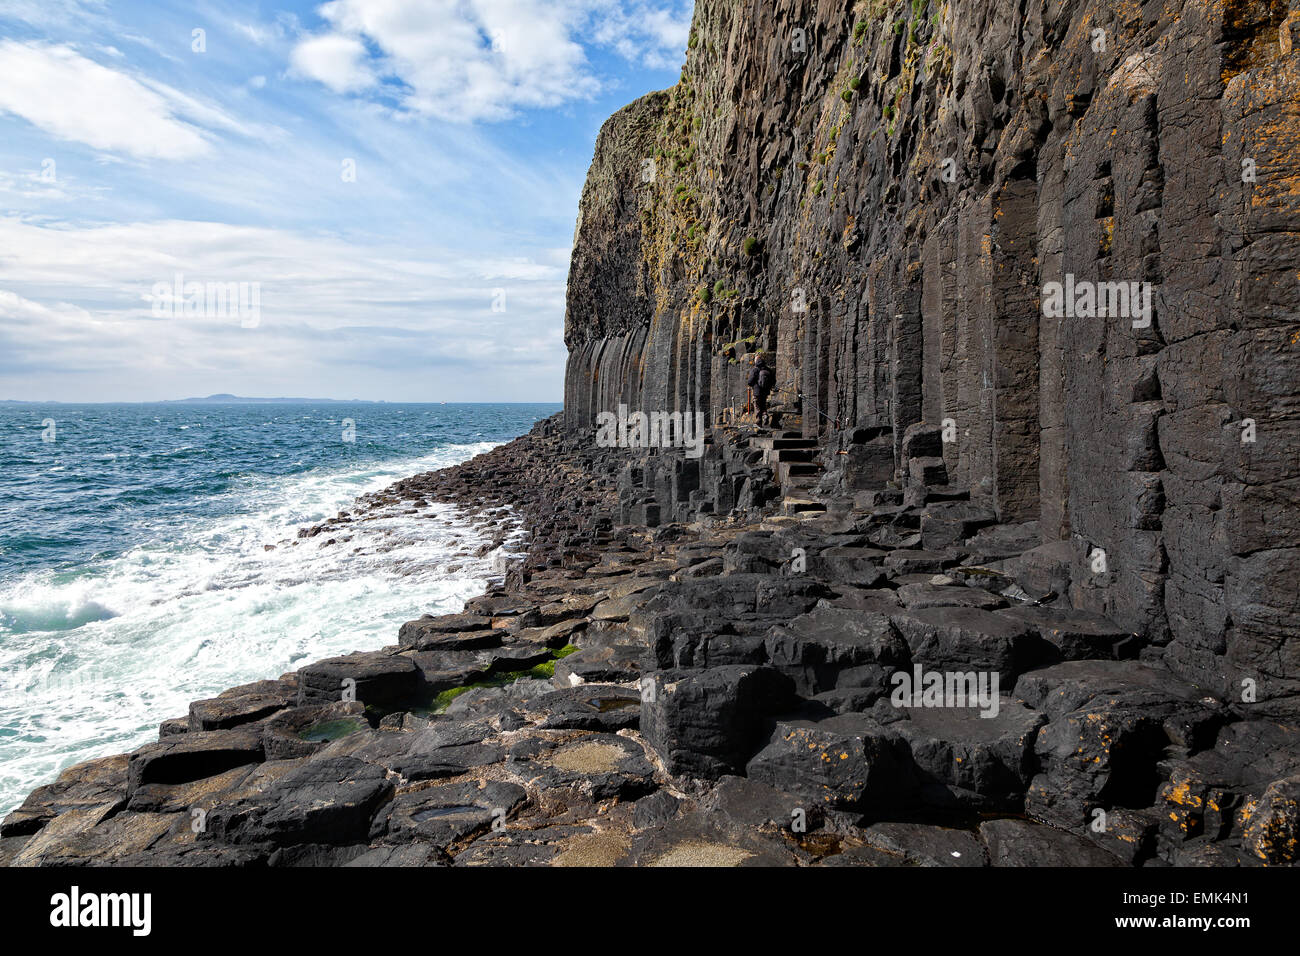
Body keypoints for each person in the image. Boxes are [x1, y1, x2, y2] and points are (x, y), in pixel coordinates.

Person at [747, 354, 775, 427]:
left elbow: (750, 381)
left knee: (757, 406)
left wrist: (753, 385)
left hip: (757, 391)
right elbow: (773, 380)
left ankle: (758, 422)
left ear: (756, 361)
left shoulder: (755, 369)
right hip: (765, 391)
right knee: (763, 404)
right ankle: (765, 415)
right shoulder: (767, 369)